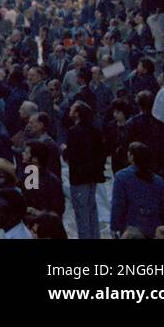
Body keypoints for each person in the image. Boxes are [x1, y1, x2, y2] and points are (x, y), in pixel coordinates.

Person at [110, 142, 164, 238]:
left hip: (131, 228)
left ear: (132, 157)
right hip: (153, 227)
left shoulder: (121, 177)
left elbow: (118, 205)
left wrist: (114, 226)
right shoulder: (158, 180)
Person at [64, 100, 105, 239]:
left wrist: (64, 150)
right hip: (92, 176)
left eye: (72, 108)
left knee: (82, 213)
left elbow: (72, 155)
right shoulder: (95, 130)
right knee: (91, 209)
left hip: (79, 176)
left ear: (77, 113)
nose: (69, 109)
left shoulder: (74, 131)